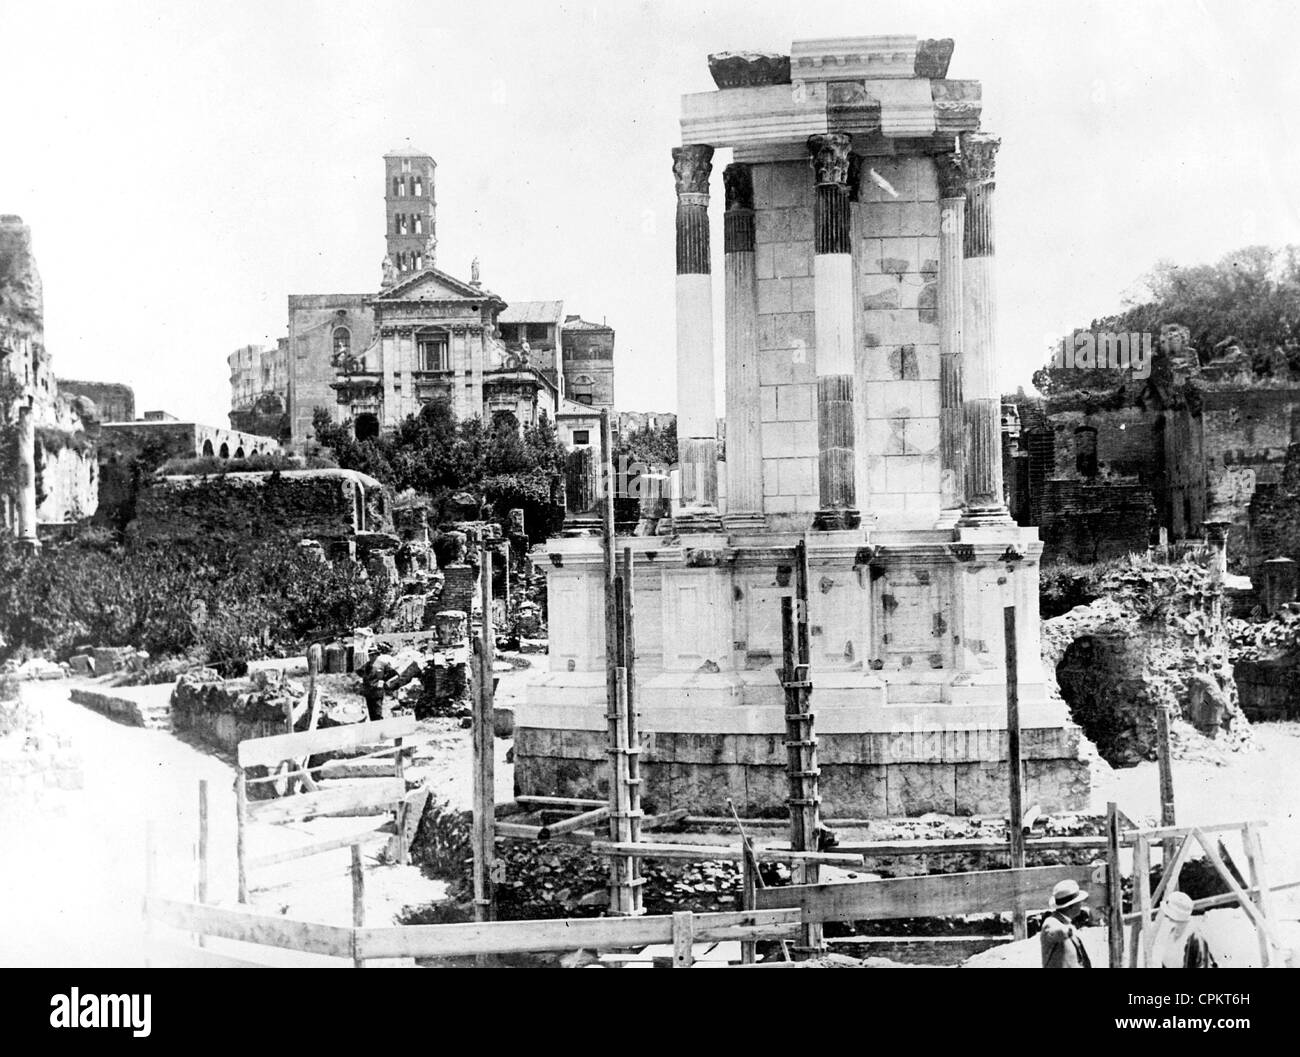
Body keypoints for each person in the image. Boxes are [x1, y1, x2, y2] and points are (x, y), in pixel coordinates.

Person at [1148, 891, 1217, 968]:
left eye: (1168, 915)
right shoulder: (1171, 933)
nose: (1167, 917)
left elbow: (1203, 964)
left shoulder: (1195, 937)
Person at [1040, 879, 1093, 968]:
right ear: (1071, 906)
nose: (1081, 905)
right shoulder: (1051, 922)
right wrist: (1070, 929)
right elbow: (1055, 932)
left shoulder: (1065, 922)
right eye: (1079, 902)